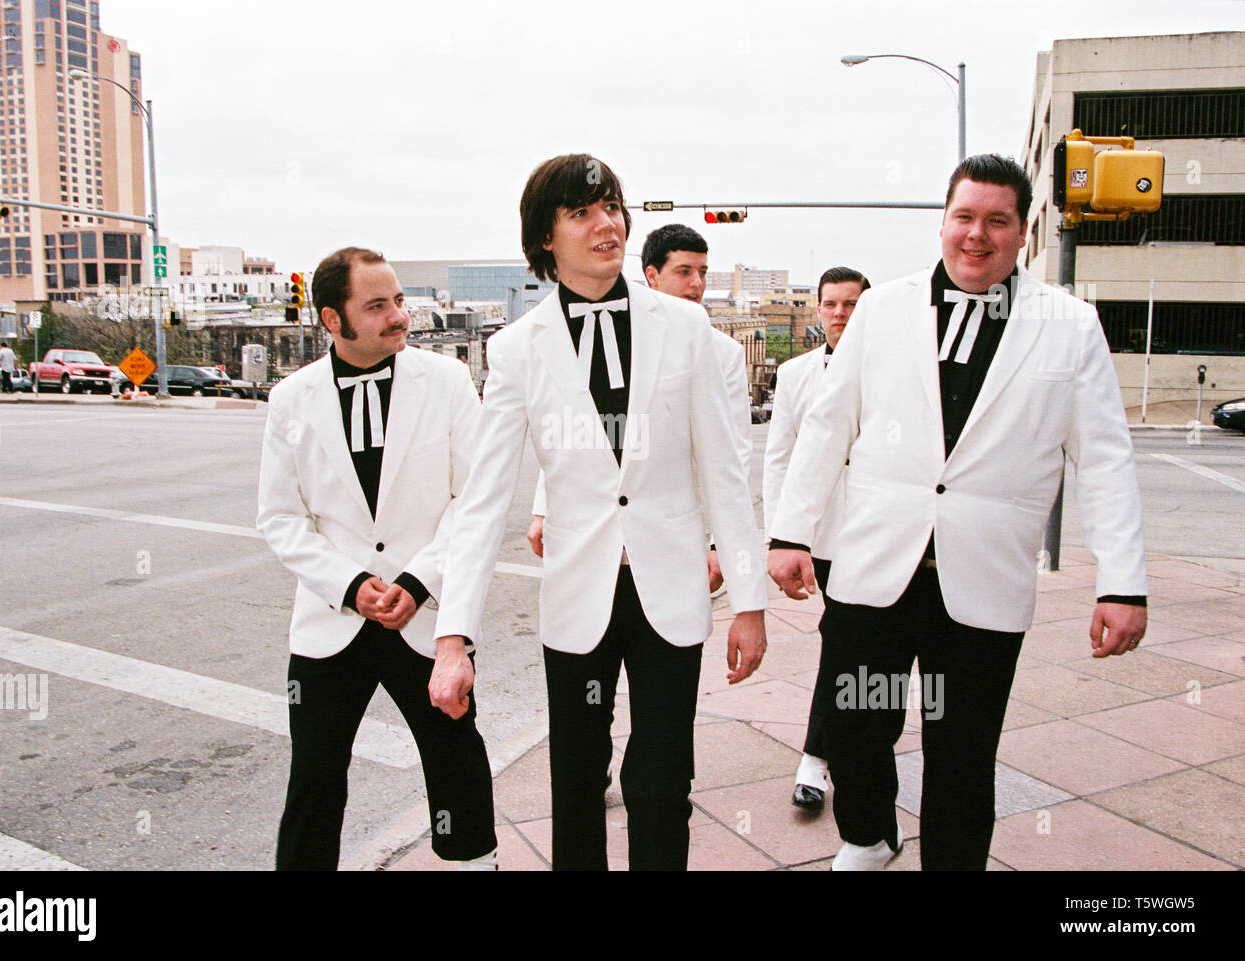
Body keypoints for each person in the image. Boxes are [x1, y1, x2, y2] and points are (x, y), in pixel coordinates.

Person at [768, 154, 1147, 871]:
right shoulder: (883, 309)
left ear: (1023, 229)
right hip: (876, 571)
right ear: (943, 221)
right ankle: (871, 834)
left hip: (980, 586)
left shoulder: (1068, 326)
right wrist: (790, 532)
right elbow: (826, 425)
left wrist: (1122, 583)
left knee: (963, 756)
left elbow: (1104, 459)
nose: (978, 235)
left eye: (997, 221)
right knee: (852, 727)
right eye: (964, 217)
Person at [431, 154, 767, 871]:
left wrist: (749, 598)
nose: (606, 223)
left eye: (612, 206)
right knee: (577, 783)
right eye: (582, 212)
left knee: (662, 781)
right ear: (546, 239)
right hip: (578, 590)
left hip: (669, 590)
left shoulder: (684, 326)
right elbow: (485, 498)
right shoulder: (517, 349)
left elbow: (724, 472)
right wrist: (452, 636)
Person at [256, 247, 497, 871]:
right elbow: (280, 518)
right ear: (332, 320)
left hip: (424, 618)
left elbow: (472, 500)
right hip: (332, 621)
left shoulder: (445, 382)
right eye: (377, 306)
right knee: (313, 781)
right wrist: (352, 583)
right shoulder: (291, 399)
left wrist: (417, 582)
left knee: (457, 765)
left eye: (397, 300)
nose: (398, 316)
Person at [527, 222, 752, 598]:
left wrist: (720, 545)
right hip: (591, 540)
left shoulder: (724, 353)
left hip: (672, 533)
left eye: (703, 273)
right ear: (652, 276)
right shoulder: (609, 333)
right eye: (684, 272)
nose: (696, 284)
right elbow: (572, 427)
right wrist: (542, 507)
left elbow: (735, 453)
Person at [763, 266, 870, 813]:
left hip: (874, 536)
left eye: (851, 304)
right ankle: (832, 756)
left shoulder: (889, 368)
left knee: (844, 641)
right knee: (846, 644)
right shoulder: (795, 373)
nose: (839, 314)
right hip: (817, 534)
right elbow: (779, 456)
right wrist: (782, 538)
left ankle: (816, 762)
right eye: (830, 304)